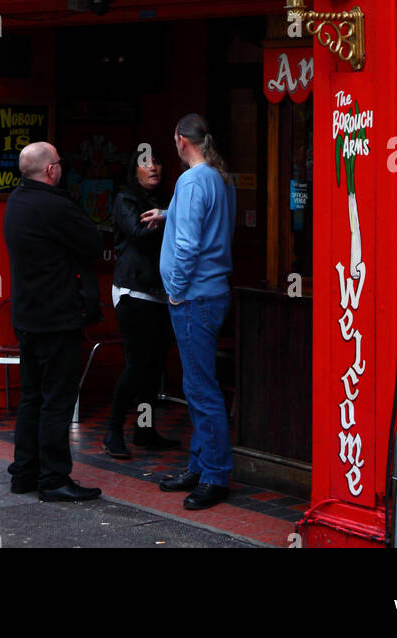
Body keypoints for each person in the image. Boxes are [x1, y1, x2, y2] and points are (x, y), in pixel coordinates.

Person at [3, 140, 103, 503]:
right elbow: (92, 243)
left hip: (26, 317)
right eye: (59, 162)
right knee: (57, 401)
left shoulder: (15, 201)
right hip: (57, 318)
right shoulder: (56, 206)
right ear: (50, 170)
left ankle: (23, 472)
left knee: (31, 398)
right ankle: (54, 479)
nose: (61, 168)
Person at [151, 113, 236, 511]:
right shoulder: (220, 178)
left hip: (194, 297)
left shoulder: (190, 181)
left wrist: (176, 293)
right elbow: (208, 225)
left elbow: (187, 245)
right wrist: (167, 215)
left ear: (181, 140)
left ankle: (214, 474)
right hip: (214, 292)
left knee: (201, 390)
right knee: (199, 386)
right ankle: (199, 466)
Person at [102, 144, 180, 460]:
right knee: (136, 364)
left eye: (157, 162)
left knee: (153, 366)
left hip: (160, 293)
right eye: (146, 163)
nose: (153, 168)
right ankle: (113, 430)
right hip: (133, 292)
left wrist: (166, 216)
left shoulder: (162, 203)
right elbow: (135, 230)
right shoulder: (125, 199)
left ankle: (144, 429)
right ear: (134, 169)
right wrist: (168, 220)